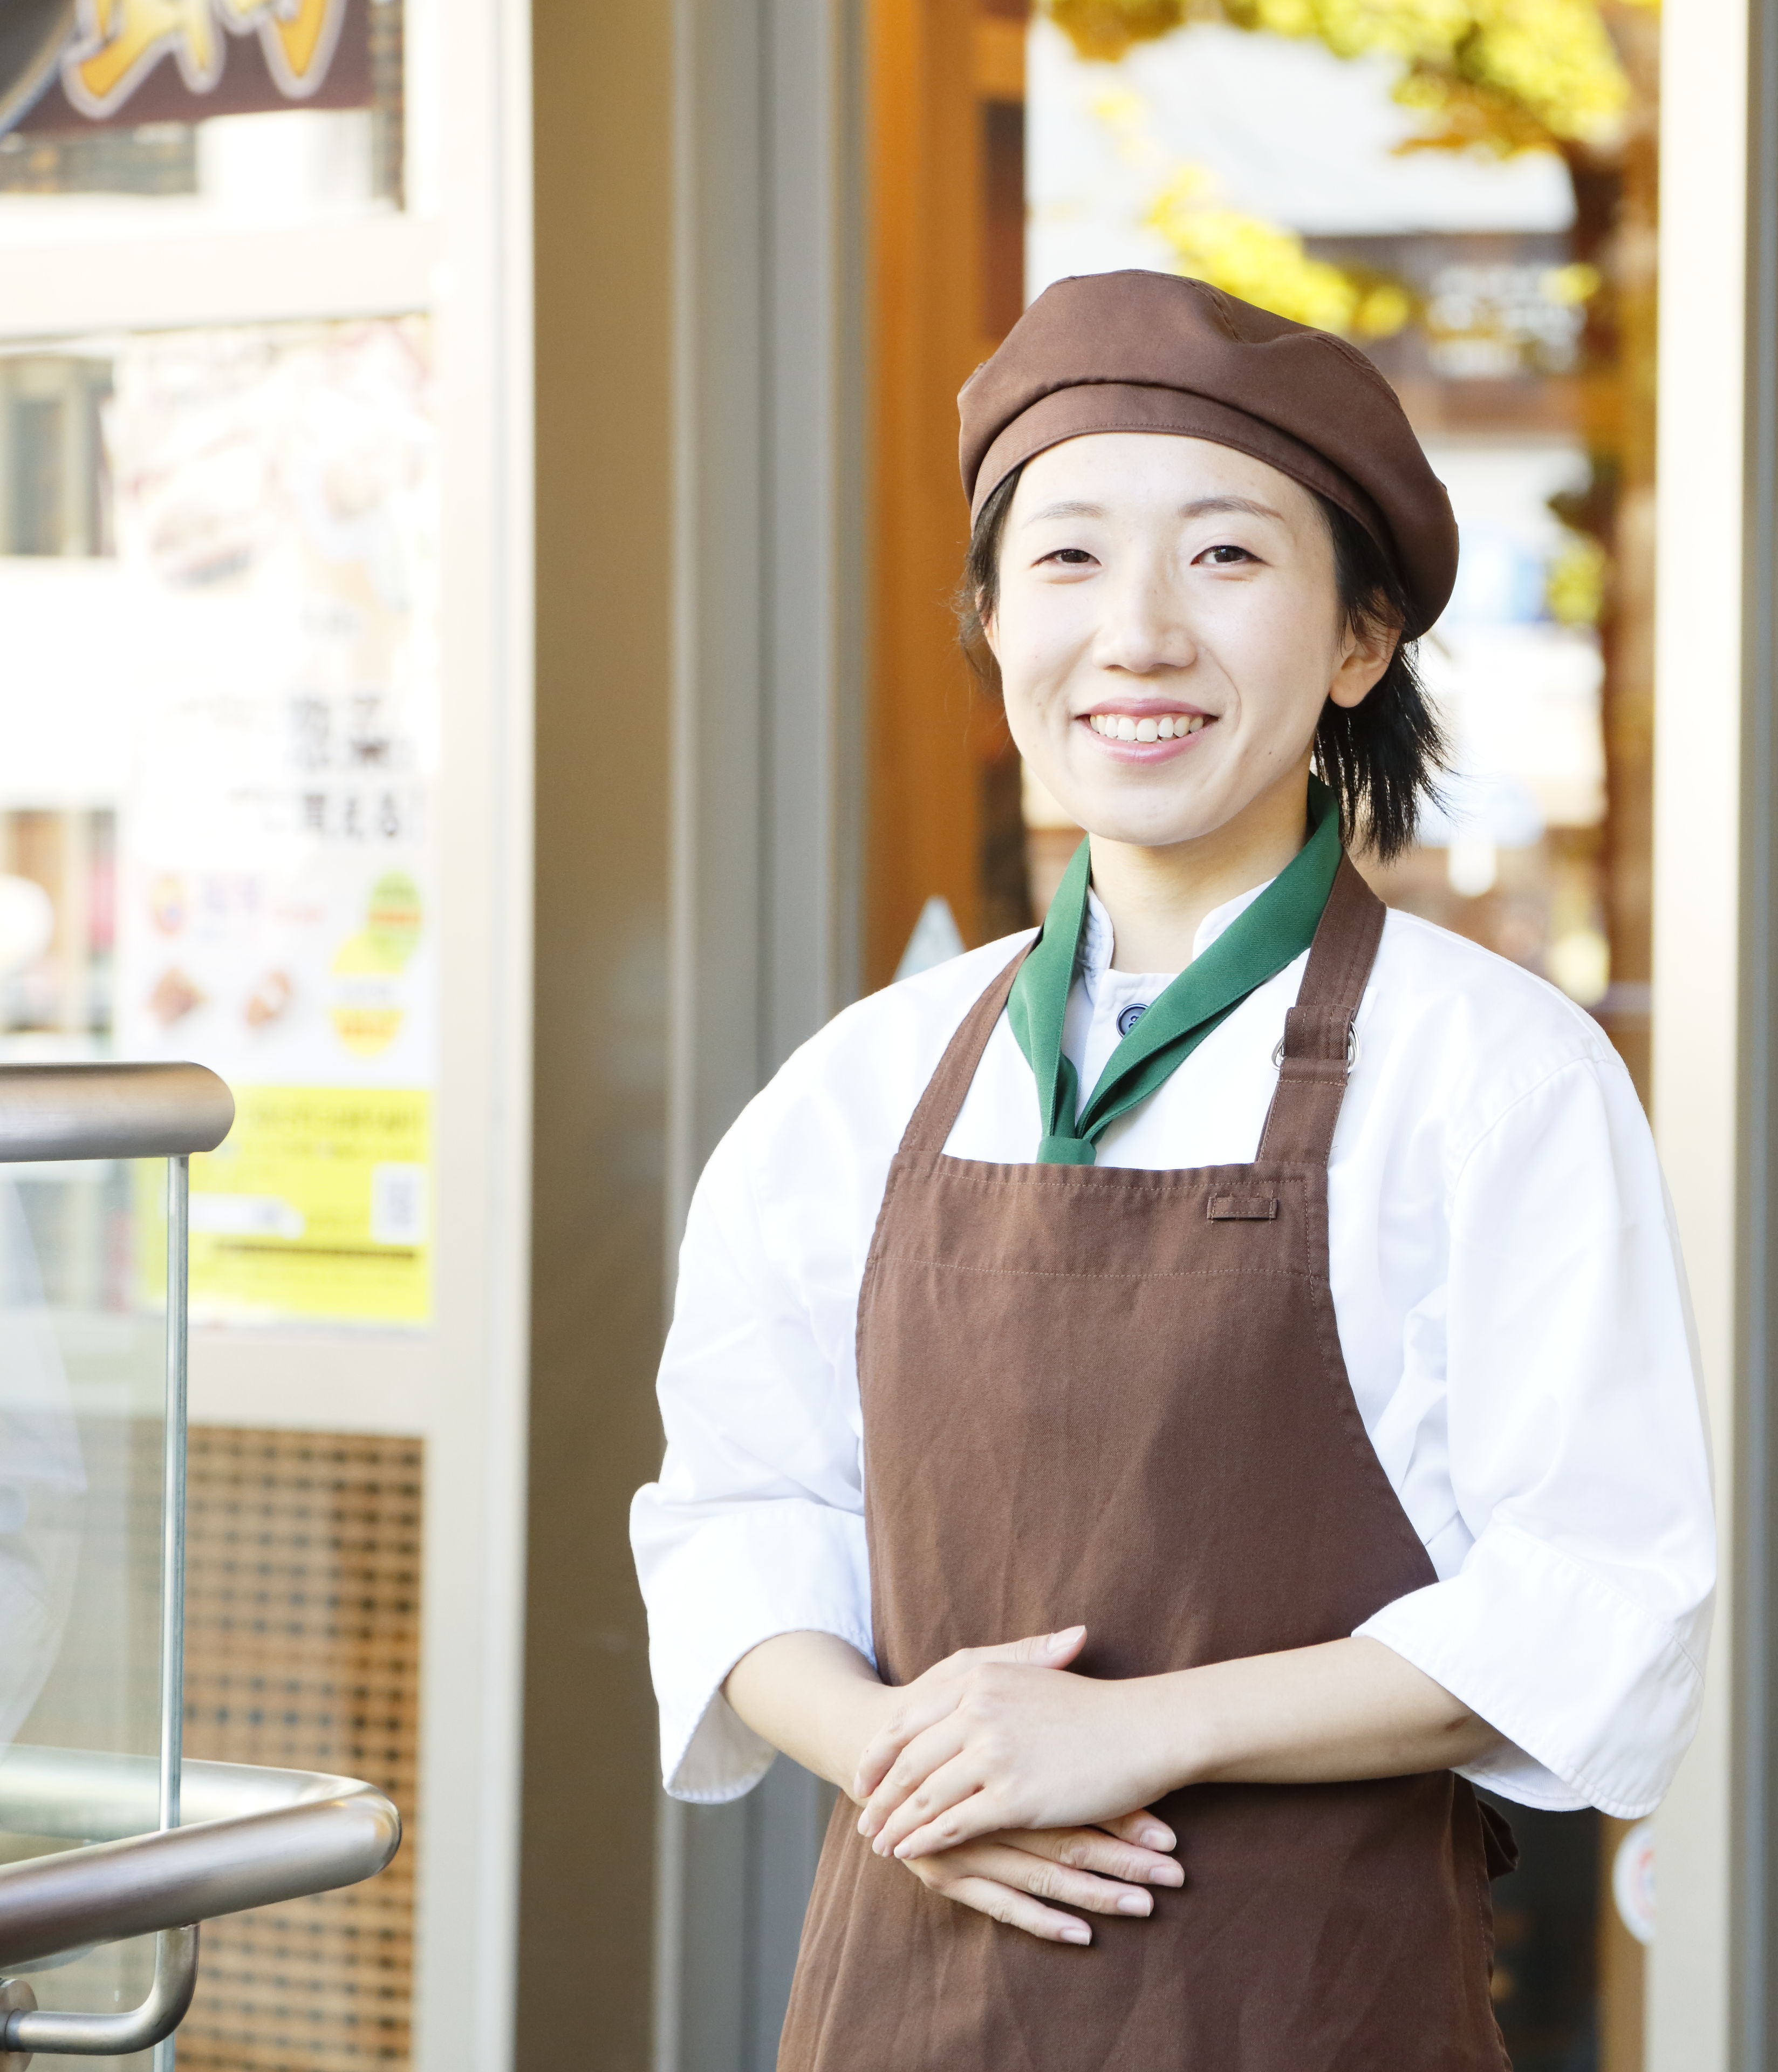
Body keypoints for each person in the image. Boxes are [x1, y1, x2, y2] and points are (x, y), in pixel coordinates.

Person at [629, 270, 1716, 2068]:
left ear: (1361, 643)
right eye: (1064, 562)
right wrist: (917, 1759)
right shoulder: (868, 1079)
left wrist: (1143, 1733)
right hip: (910, 1996)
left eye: (1223, 558)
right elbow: (741, 1522)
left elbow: (1600, 1598)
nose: (1136, 634)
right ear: (989, 625)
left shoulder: (1496, 1076)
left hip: (1305, 2004)